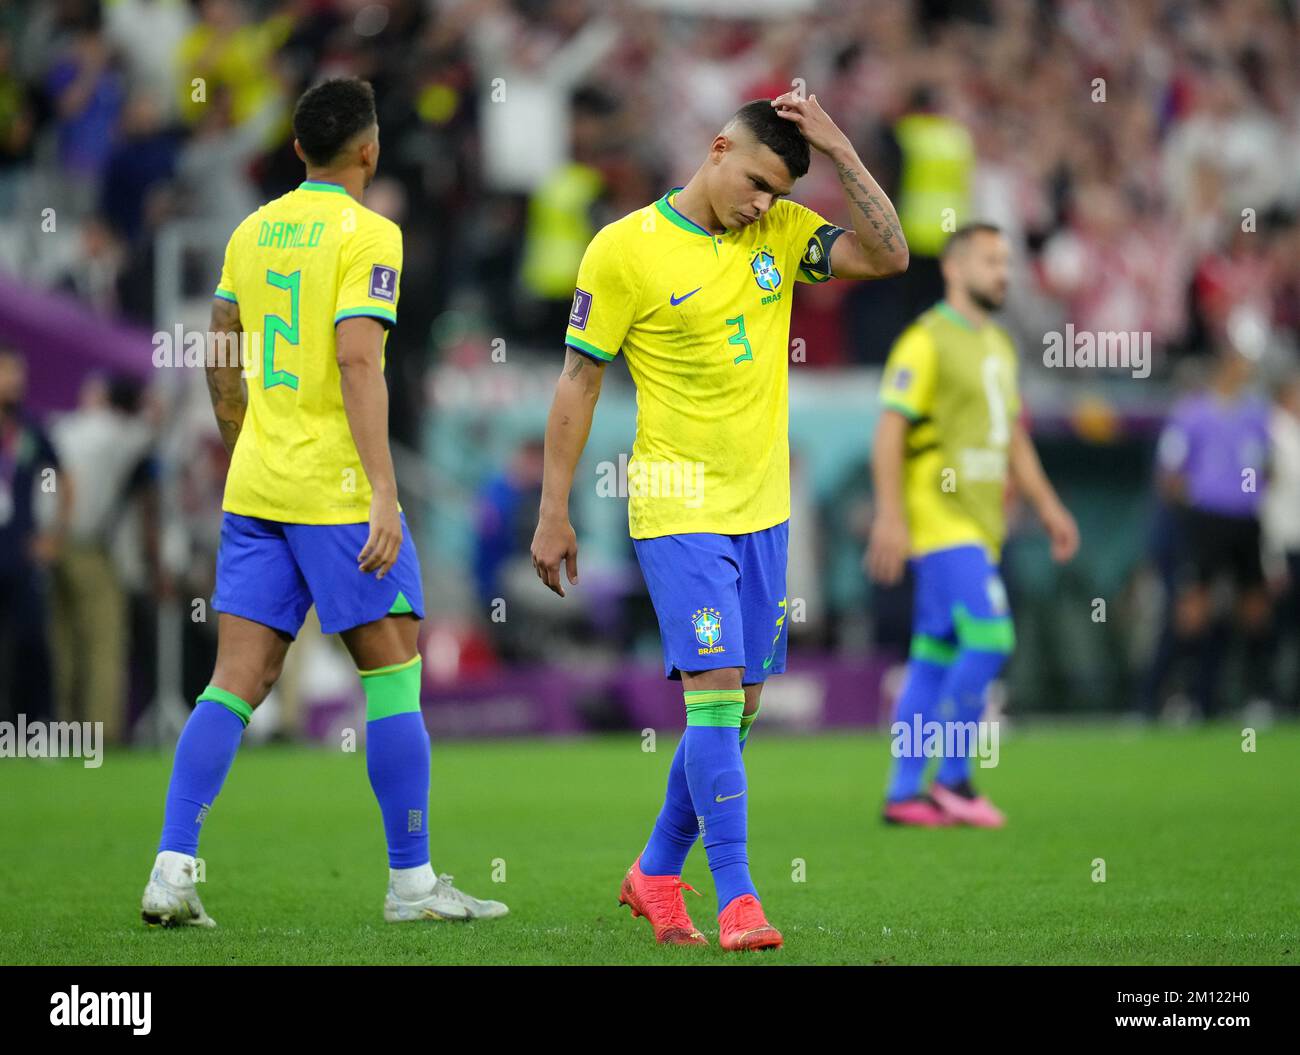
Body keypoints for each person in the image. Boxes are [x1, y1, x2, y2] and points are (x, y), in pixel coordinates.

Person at [531, 93, 908, 950]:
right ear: (715, 149)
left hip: (763, 510)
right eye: (757, 183)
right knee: (712, 703)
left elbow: (889, 255)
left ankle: (655, 873)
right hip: (676, 505)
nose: (764, 203)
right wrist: (554, 510)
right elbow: (578, 382)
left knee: (733, 714)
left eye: (779, 190)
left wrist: (840, 146)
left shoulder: (777, 236)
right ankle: (738, 897)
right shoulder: (624, 249)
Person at [140, 77, 506, 928]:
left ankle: (171, 867)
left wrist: (243, 448)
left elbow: (219, 350)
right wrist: (384, 490)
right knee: (393, 674)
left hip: (258, 485)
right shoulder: (372, 232)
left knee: (234, 680)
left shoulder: (251, 230)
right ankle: (411, 883)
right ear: (369, 151)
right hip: (338, 490)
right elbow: (356, 361)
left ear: (298, 148)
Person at [867, 223, 1079, 828]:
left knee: (933, 653)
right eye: (990, 261)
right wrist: (890, 514)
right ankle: (954, 778)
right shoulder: (926, 340)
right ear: (954, 269)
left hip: (983, 526)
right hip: (940, 519)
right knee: (991, 640)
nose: (1003, 273)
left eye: (1007, 261)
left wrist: (1048, 507)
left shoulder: (1000, 347)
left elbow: (1012, 439)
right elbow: (890, 429)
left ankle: (904, 793)